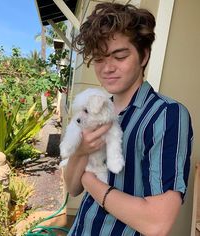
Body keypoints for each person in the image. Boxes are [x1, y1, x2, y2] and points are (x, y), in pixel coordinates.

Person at [64, 2, 193, 236]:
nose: (107, 68)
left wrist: (90, 182)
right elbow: (72, 188)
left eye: (120, 56)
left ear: (143, 56)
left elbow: (157, 224)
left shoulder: (165, 115)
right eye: (99, 59)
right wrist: (81, 151)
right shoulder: (94, 111)